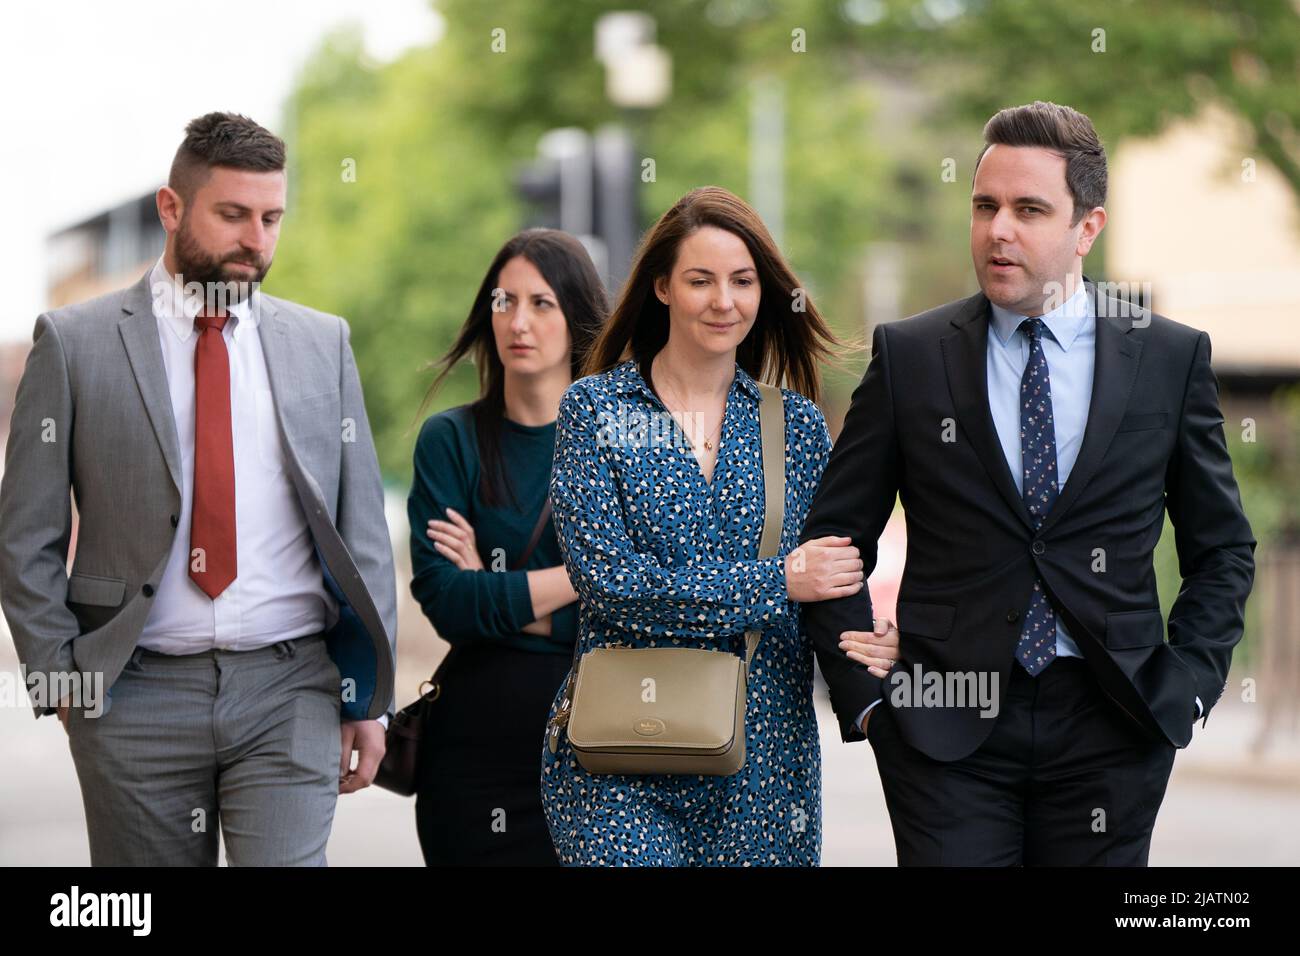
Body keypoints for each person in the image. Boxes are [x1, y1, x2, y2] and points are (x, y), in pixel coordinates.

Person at [802, 101, 1256, 866]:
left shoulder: (1167, 358)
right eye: (984, 207)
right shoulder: (912, 356)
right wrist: (868, 701)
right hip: (942, 728)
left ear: (1088, 228)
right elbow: (835, 538)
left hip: (1115, 724)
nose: (997, 230)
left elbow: (1223, 548)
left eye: (1028, 209)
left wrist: (1190, 685)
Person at [0, 112, 397, 866]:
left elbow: (361, 530)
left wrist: (367, 698)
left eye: (272, 217)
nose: (257, 238)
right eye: (233, 214)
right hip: (134, 696)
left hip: (291, 690)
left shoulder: (322, 343)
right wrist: (61, 682)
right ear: (171, 208)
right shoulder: (75, 342)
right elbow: (27, 534)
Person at [540, 185, 895, 866]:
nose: (723, 301)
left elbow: (829, 579)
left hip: (764, 764)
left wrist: (874, 666)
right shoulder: (595, 410)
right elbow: (612, 586)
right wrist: (777, 582)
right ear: (663, 287)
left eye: (741, 282)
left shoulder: (794, 425)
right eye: (700, 280)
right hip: (620, 752)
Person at [408, 228, 606, 865]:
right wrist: (589, 576)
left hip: (601, 750)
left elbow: (647, 601)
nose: (519, 321)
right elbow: (447, 602)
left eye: (541, 303)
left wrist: (498, 598)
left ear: (576, 316)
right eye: (503, 301)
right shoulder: (450, 441)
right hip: (471, 760)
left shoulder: (622, 442)